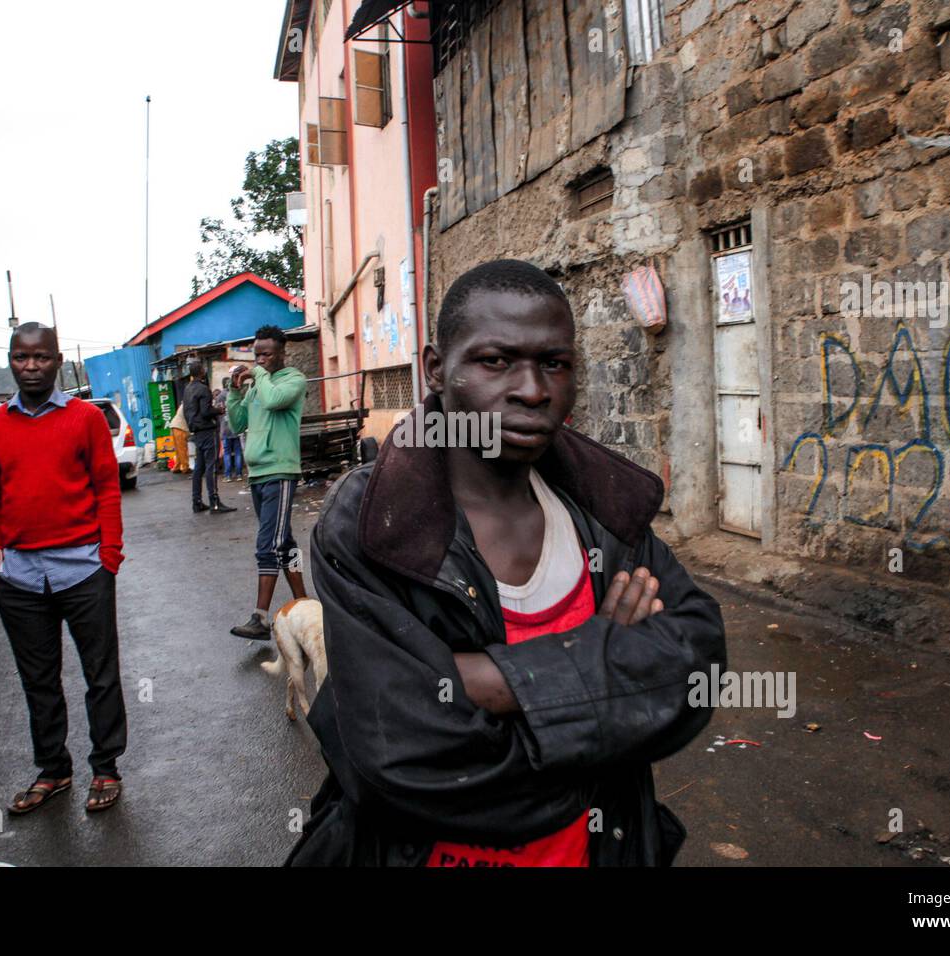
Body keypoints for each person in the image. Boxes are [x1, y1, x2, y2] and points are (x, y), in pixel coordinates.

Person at [286, 259, 727, 866]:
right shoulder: (374, 522)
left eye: (555, 363)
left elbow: (694, 664)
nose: (533, 390)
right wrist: (605, 663)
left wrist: (477, 682)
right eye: (496, 361)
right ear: (437, 369)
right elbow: (405, 753)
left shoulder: (603, 507)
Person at [0, 323, 128, 814]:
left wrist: (110, 556)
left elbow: (107, 485)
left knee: (99, 674)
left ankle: (105, 767)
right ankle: (53, 770)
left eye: (41, 357)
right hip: (18, 578)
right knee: (38, 679)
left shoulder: (85, 418)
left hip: (83, 569)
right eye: (21, 358)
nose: (31, 366)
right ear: (11, 360)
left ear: (58, 360)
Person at [226, 325, 308, 640]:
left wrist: (257, 376)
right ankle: (304, 603)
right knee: (284, 542)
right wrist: (235, 391)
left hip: (280, 471)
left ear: (281, 353)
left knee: (268, 545)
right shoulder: (257, 385)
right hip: (258, 473)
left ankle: (260, 619)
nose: (260, 359)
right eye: (256, 353)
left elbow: (274, 400)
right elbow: (238, 423)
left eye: (266, 354)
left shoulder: (293, 380)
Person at [184, 359, 234, 514]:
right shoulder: (203, 389)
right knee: (211, 467)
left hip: (196, 432)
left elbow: (189, 411)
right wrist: (218, 410)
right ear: (202, 372)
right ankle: (215, 502)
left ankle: (196, 501)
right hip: (207, 430)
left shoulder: (187, 389)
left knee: (199, 468)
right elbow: (206, 412)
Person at [169, 401, 191, 473]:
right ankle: (185, 467)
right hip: (180, 427)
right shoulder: (188, 405)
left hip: (175, 426)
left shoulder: (184, 404)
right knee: (182, 449)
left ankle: (177, 467)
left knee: (178, 449)